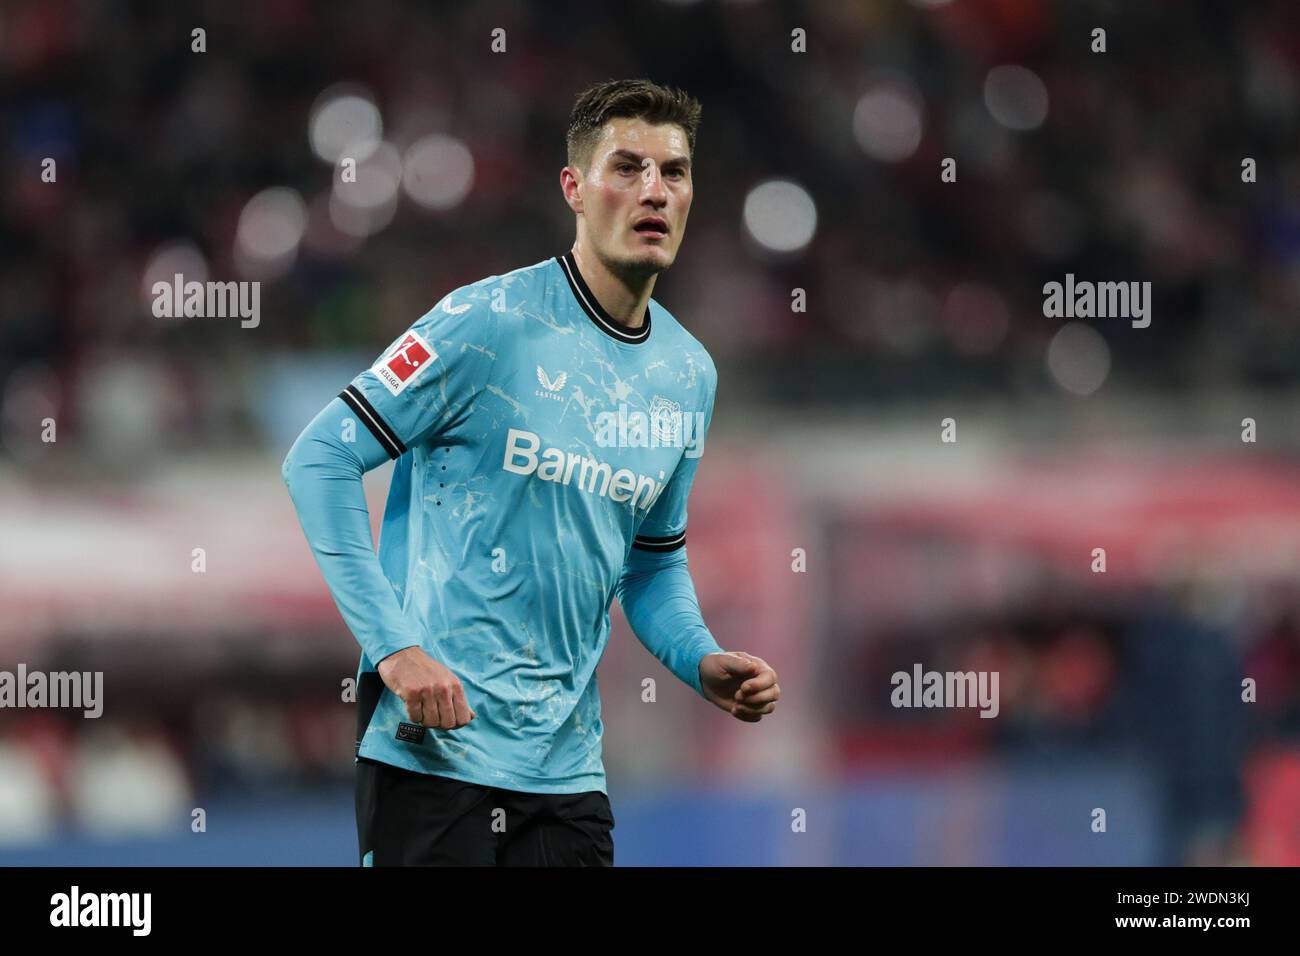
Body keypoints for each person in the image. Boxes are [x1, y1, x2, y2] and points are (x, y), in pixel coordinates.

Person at [282, 77, 779, 866]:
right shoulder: (485, 324)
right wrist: (396, 650)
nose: (654, 190)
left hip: (567, 778)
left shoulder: (689, 374)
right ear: (574, 189)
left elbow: (653, 563)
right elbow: (319, 457)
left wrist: (700, 657)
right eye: (627, 167)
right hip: (433, 757)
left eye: (674, 172)